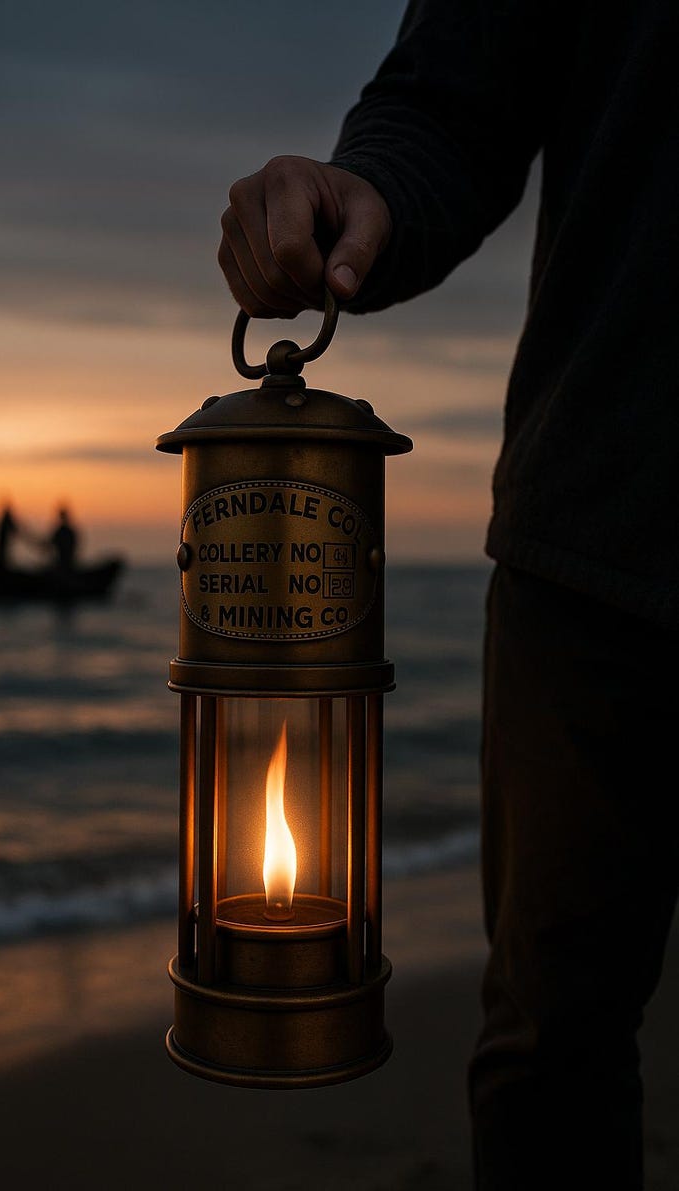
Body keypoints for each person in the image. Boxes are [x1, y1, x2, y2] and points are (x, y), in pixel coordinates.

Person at [218, 3, 679, 1189]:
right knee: (547, 1044)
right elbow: (456, 95)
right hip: (601, 527)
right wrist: (356, 191)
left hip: (589, 524)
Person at [47, 505, 79, 573]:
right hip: (63, 565)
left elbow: (49, 545)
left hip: (65, 565)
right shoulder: (65, 531)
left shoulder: (63, 532)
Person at [0, 501, 19, 569]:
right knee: (1, 556)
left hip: (3, 546)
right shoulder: (5, 521)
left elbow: (15, 529)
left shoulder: (5, 521)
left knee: (2, 557)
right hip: (2, 546)